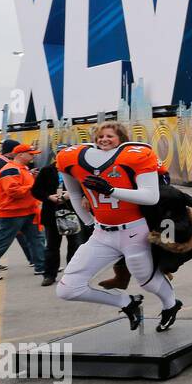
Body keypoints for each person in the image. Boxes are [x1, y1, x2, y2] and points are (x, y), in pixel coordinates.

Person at [53, 123, 182, 331]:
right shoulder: (72, 158)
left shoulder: (135, 155)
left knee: (147, 281)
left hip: (134, 231)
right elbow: (75, 194)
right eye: (100, 136)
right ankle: (127, 303)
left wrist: (111, 190)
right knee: (67, 289)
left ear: (121, 138)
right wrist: (89, 222)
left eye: (110, 136)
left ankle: (171, 305)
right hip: (102, 232)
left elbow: (151, 196)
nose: (104, 139)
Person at [0, 144, 45, 281]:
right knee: (2, 241)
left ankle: (41, 265)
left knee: (36, 238)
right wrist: (34, 185)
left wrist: (33, 179)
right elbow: (14, 192)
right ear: (20, 155)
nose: (33, 156)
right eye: (31, 154)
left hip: (26, 210)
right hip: (13, 212)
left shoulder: (21, 169)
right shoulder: (11, 170)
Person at [31, 148, 85, 286]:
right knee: (52, 246)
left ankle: (72, 275)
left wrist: (71, 195)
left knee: (75, 245)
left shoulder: (75, 170)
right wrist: (49, 197)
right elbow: (36, 190)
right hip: (51, 213)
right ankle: (49, 275)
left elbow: (85, 189)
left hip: (72, 212)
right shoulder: (47, 171)